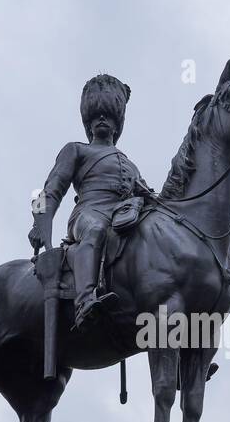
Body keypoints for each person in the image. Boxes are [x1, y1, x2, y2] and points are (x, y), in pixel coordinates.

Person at [30, 74, 153, 328]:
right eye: (96, 116)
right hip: (88, 214)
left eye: (107, 115)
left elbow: (149, 196)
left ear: (117, 124)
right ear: (88, 123)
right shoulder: (76, 150)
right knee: (96, 230)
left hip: (121, 216)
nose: (101, 119)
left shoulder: (129, 164)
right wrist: (39, 222)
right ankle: (84, 300)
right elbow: (49, 190)